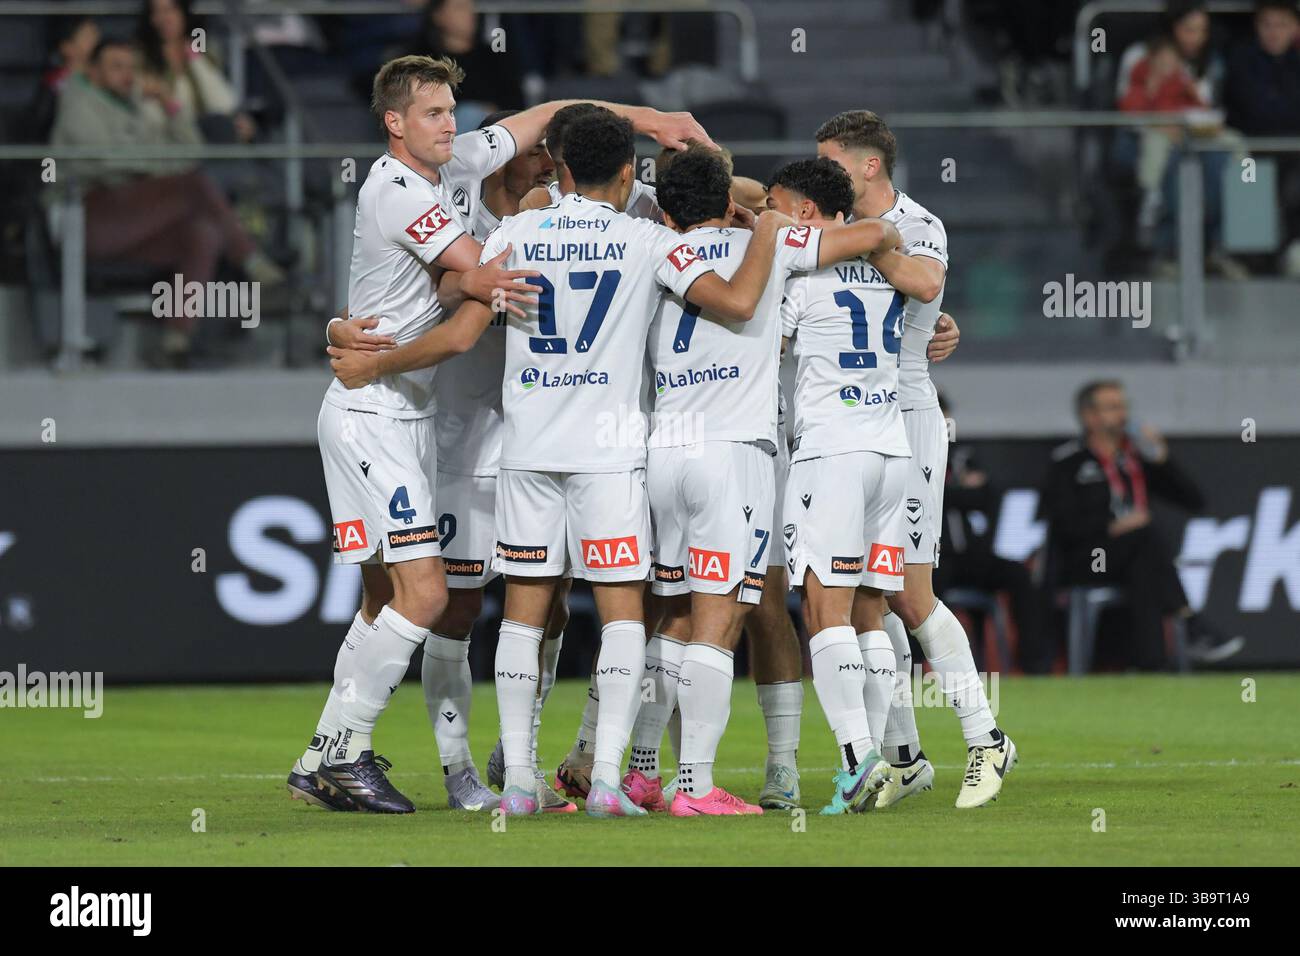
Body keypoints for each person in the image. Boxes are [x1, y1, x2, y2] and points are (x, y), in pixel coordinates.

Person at [300, 58, 717, 813]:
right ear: (395, 122)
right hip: (416, 424)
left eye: (455, 113)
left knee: (502, 601)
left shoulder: (483, 194)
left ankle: (345, 754)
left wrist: (648, 123)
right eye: (434, 113)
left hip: (459, 428)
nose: (453, 126)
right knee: (426, 600)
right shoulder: (410, 195)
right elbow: (468, 285)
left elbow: (551, 106)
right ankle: (399, 760)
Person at [815, 109, 1014, 810]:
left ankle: (987, 737)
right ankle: (902, 757)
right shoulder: (827, 221)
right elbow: (760, 200)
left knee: (907, 590)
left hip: (907, 419)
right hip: (844, 426)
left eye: (832, 161)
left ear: (870, 165)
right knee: (864, 598)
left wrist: (858, 241)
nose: (821, 173)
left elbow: (925, 285)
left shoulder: (919, 223)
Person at [49, 38, 282, 364]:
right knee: (193, 186)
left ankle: (176, 340)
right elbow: (106, 161)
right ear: (94, 71)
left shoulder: (139, 105)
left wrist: (171, 106)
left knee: (202, 231)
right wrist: (159, 166)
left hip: (135, 218)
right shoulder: (78, 100)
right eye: (116, 67)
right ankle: (250, 259)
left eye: (131, 67)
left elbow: (191, 153)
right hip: (89, 216)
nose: (127, 75)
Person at [1043, 381, 1245, 670]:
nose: (1122, 414)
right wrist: (1112, 526)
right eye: (1112, 407)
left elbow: (1194, 501)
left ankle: (1150, 665)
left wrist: (1162, 459)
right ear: (1089, 417)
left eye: (1123, 406)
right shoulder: (1068, 462)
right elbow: (1063, 525)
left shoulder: (1134, 459)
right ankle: (1189, 623)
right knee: (1145, 541)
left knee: (1144, 562)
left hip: (1133, 556)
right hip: (1085, 559)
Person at [931, 395, 1052, 674]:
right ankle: (915, 669)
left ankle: (1035, 667)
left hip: (971, 557)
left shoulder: (962, 456)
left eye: (945, 418)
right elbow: (927, 497)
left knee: (1018, 574)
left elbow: (986, 496)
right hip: (931, 560)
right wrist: (960, 493)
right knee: (921, 591)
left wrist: (950, 494)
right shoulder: (905, 454)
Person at [1225, 0, 1300, 275]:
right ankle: (1251, 260)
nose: (1274, 32)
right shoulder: (1240, 60)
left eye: (1281, 25)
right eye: (1267, 25)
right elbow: (1252, 111)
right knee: (1248, 171)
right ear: (1257, 27)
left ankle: (1292, 251)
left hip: (1293, 150)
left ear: (1295, 28)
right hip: (1251, 150)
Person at [137, 0, 257, 143]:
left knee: (240, 127)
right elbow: (152, 117)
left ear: (183, 13)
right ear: (150, 18)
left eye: (171, 10)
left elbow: (225, 103)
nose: (164, 18)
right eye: (157, 12)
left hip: (206, 130)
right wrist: (166, 100)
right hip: (169, 136)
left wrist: (195, 58)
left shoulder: (202, 48)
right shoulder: (140, 56)